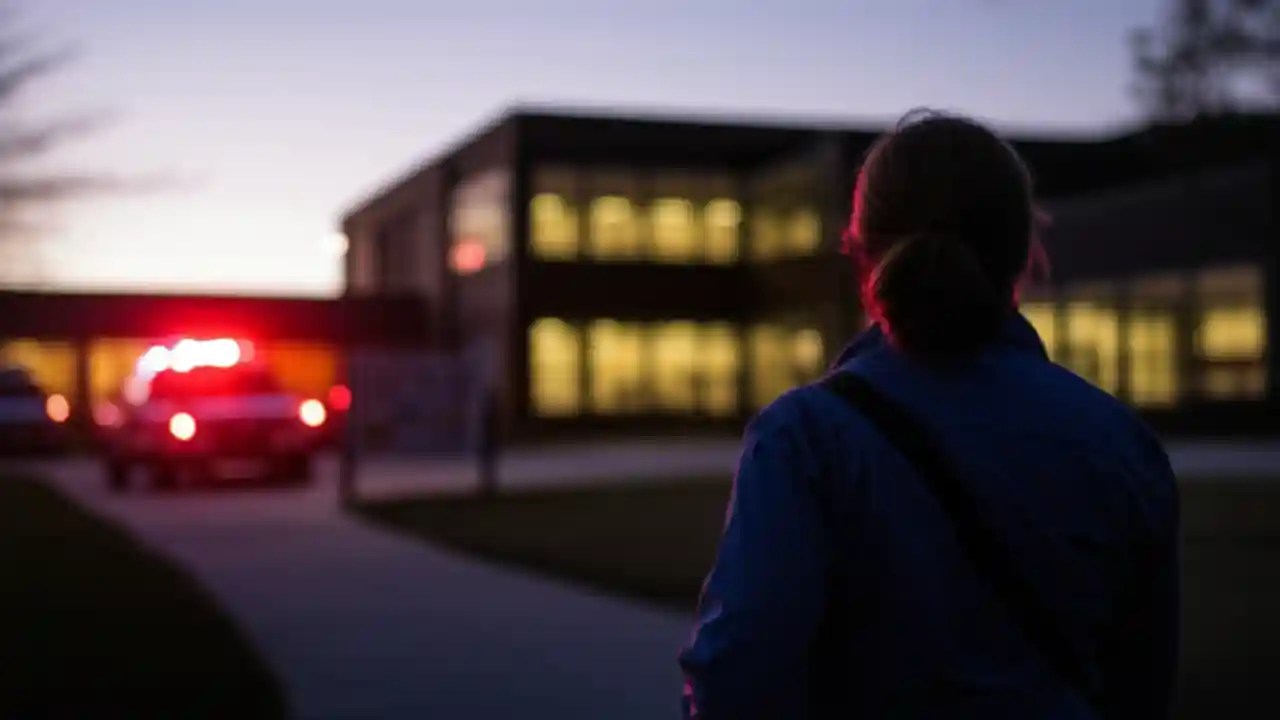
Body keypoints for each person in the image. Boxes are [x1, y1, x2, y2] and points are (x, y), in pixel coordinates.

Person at [679, 112, 1179, 719]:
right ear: (1024, 250)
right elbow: (1142, 689)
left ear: (860, 249)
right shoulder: (1122, 444)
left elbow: (737, 686)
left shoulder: (806, 439)